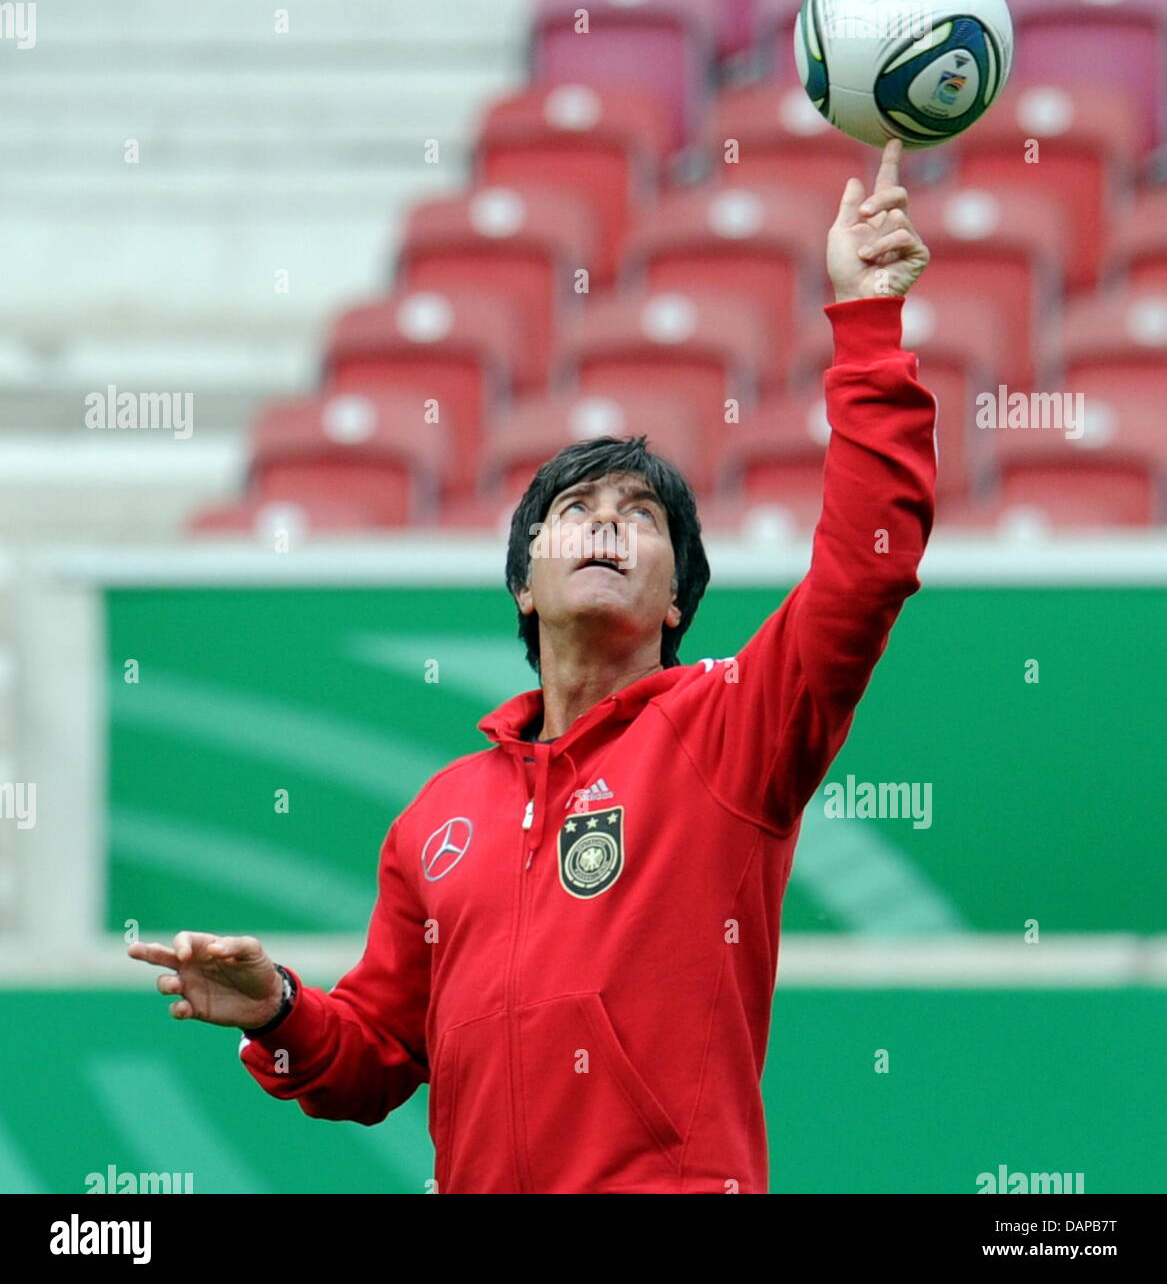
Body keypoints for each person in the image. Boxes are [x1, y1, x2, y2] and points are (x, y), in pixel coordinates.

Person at [129, 139, 935, 1194]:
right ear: (525, 582)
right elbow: (374, 1057)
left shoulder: (731, 730)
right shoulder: (437, 815)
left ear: (677, 596)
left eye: (641, 519)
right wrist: (282, 1008)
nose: (608, 527)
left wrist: (866, 323)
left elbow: (865, 569)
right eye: (576, 513)